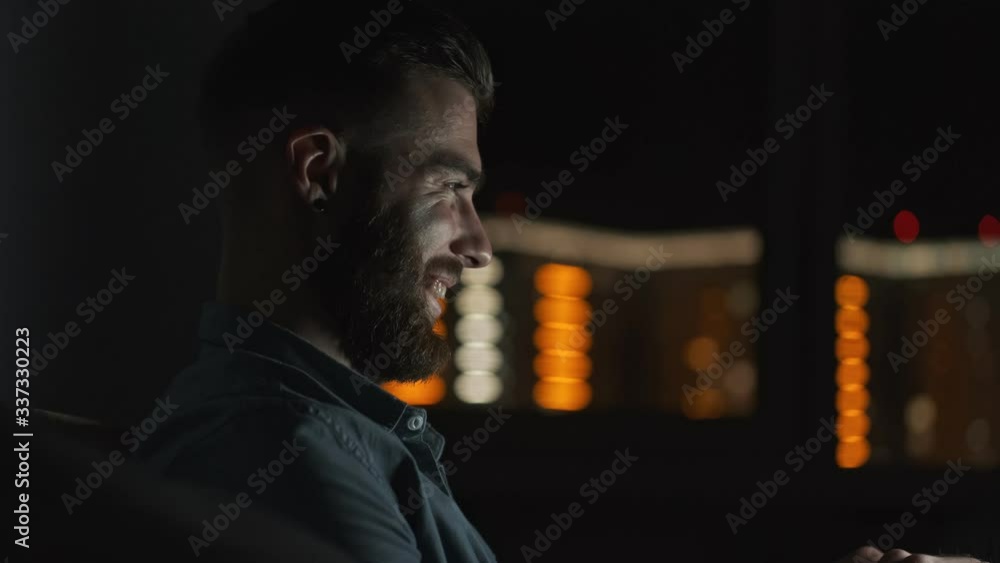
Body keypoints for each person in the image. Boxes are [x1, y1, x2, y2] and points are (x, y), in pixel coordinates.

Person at [138, 1, 495, 561]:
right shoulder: (295, 455)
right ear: (318, 172)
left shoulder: (326, 442)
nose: (478, 248)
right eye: (449, 186)